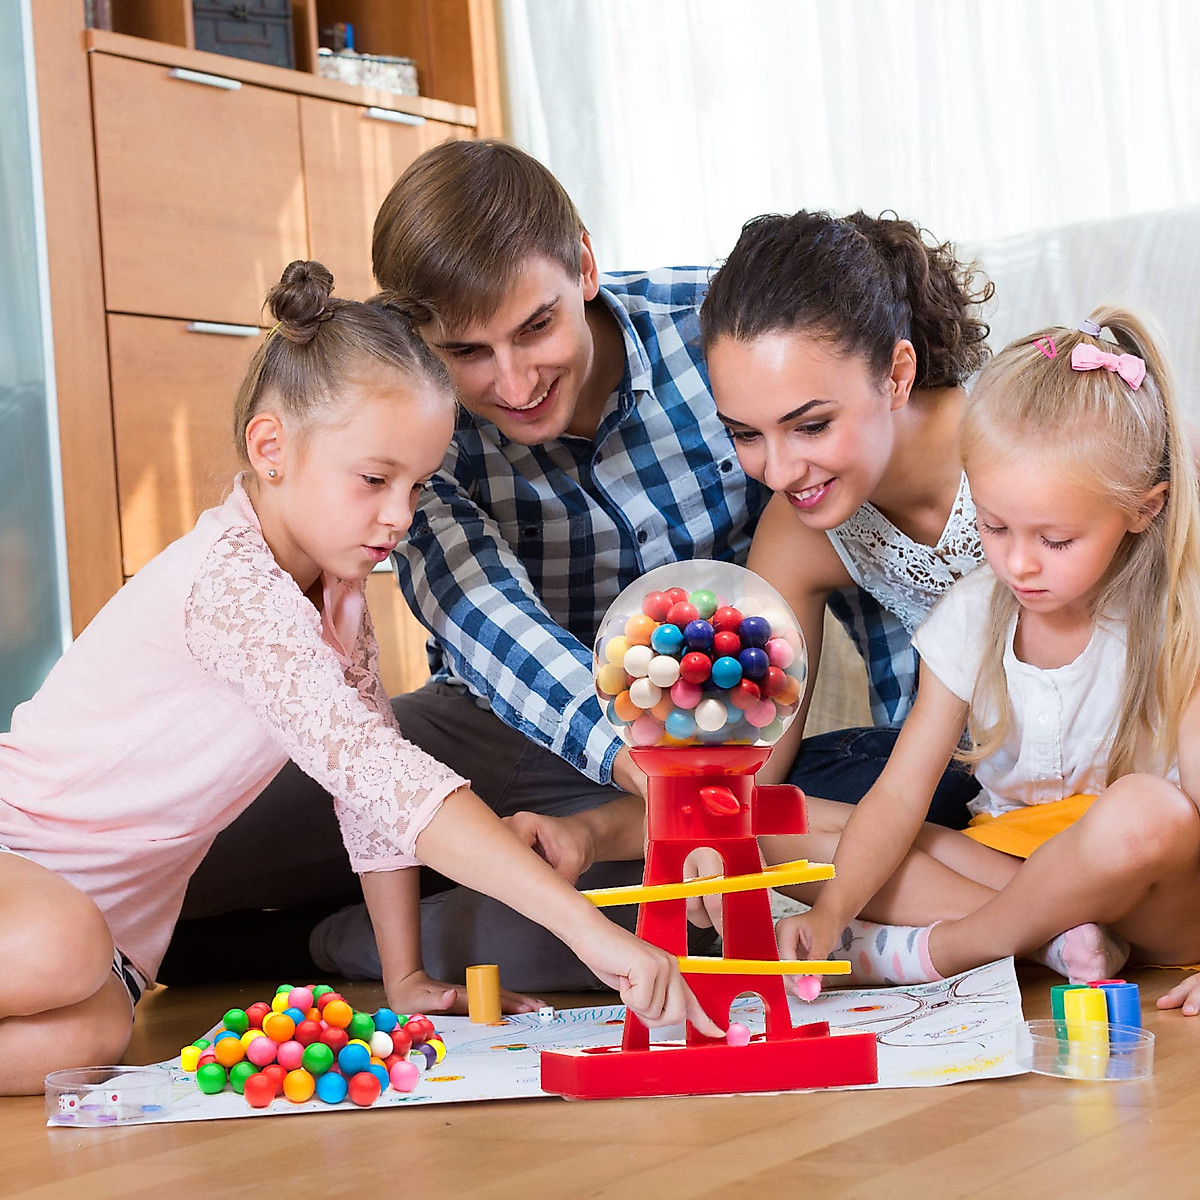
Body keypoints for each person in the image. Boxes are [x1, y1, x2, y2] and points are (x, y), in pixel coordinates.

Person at [0, 261, 718, 1096]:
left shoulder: (337, 596)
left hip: (109, 937)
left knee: (92, 1036)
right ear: (271, 449)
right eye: (375, 480)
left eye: (416, 485)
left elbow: (369, 799)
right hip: (23, 870)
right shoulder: (231, 587)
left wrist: (404, 976)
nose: (399, 516)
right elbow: (394, 782)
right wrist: (598, 935)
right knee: (63, 946)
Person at [166, 140, 767, 997]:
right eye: (468, 353)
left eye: (536, 328)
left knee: (654, 927)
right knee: (183, 844)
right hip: (488, 723)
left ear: (585, 265)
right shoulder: (409, 419)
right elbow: (484, 615)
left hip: (683, 736)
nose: (515, 381)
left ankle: (324, 943)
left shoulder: (717, 331)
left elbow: (848, 504)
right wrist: (634, 764)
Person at [772, 307, 1200, 992]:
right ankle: (1060, 943)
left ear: (1144, 509)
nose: (1019, 565)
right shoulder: (974, 612)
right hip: (1015, 865)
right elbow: (900, 794)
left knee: (1149, 811)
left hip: (1152, 895)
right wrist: (830, 913)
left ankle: (954, 949)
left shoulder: (1180, 615)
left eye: (1054, 540)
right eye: (995, 527)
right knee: (782, 823)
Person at [699, 209, 994, 827]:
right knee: (769, 809)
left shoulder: (1013, 437)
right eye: (746, 434)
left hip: (1113, 747)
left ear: (896, 374)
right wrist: (704, 832)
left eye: (811, 425)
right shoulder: (797, 530)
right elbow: (757, 754)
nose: (779, 473)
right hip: (958, 769)